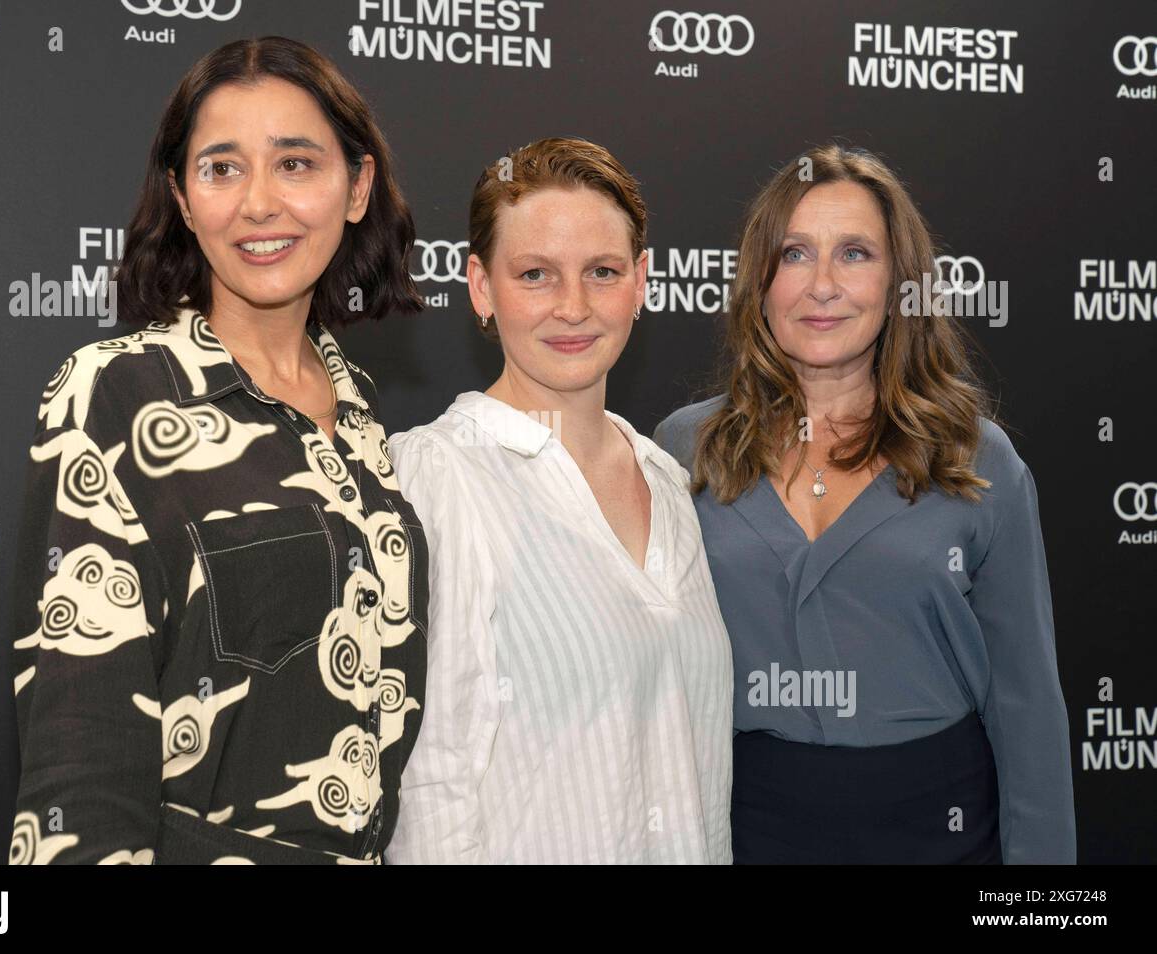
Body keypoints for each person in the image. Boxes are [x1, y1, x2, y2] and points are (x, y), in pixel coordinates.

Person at [8, 37, 428, 865]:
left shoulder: (360, 411)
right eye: (222, 168)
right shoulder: (115, 394)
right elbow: (78, 760)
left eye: (297, 164)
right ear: (183, 196)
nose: (259, 204)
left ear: (358, 187)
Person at [654, 143, 1075, 864]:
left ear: (900, 282)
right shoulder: (684, 449)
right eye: (794, 254)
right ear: (759, 280)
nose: (822, 285)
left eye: (854, 254)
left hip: (940, 831)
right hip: (747, 827)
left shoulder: (978, 459)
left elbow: (1027, 706)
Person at [384, 137, 734, 864]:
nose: (573, 307)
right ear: (481, 287)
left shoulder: (665, 479)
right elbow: (429, 784)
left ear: (641, 282)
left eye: (602, 272)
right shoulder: (438, 479)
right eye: (536, 274)